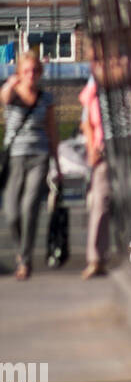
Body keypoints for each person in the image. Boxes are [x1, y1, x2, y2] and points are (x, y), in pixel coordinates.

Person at [1, 49, 62, 280]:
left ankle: (25, 260)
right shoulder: (12, 93)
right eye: (26, 70)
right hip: (15, 157)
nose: (31, 74)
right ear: (19, 72)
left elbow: (52, 131)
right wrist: (11, 82)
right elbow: (4, 97)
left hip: (39, 155)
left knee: (29, 208)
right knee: (12, 212)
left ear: (41, 72)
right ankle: (20, 251)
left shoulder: (46, 98)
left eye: (35, 70)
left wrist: (57, 164)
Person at [79, 58, 111, 279]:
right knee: (99, 203)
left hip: (128, 149)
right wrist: (92, 148)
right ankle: (95, 259)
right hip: (102, 150)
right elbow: (86, 121)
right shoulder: (94, 85)